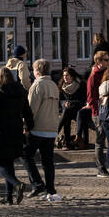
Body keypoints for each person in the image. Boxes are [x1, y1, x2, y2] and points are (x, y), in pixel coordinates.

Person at [0, 67, 34, 204]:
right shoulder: (21, 91)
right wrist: (28, 126)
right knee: (8, 163)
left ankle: (17, 184)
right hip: (16, 131)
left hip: (1, 132)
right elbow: (28, 111)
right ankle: (8, 196)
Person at [25, 60, 62, 200]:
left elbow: (31, 109)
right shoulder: (53, 85)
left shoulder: (37, 85)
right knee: (48, 161)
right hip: (51, 128)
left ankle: (37, 183)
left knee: (26, 155)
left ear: (37, 71)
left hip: (38, 128)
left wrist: (26, 126)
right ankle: (50, 190)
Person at [87, 48, 109, 176]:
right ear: (99, 62)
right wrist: (97, 113)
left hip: (108, 111)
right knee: (100, 141)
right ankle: (101, 168)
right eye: (106, 60)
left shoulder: (106, 73)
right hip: (99, 113)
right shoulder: (93, 76)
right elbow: (91, 98)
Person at [58, 66, 86, 149]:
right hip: (67, 109)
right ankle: (67, 143)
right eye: (64, 75)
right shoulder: (62, 86)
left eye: (67, 75)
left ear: (72, 76)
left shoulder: (80, 84)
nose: (65, 77)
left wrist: (71, 103)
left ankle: (57, 134)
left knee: (66, 113)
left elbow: (83, 100)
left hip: (78, 109)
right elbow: (61, 100)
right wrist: (64, 104)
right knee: (66, 115)